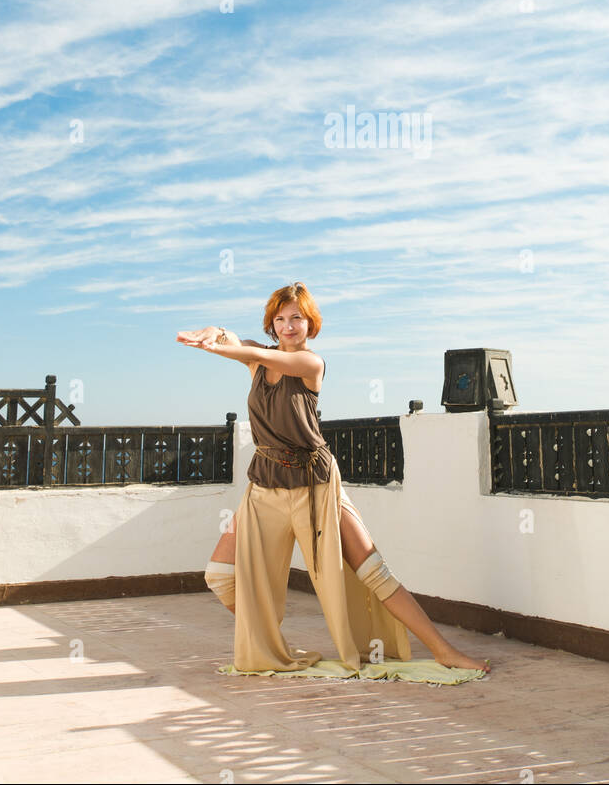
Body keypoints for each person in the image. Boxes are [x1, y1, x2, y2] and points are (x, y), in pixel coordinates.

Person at [176, 281, 491, 679]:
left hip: (316, 486)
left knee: (373, 570)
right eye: (281, 319)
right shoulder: (259, 361)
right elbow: (244, 345)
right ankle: (269, 643)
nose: (288, 326)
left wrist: (222, 346)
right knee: (220, 575)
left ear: (311, 325)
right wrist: (215, 332)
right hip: (265, 484)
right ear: (272, 324)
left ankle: (443, 650)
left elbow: (250, 350)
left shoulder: (311, 364)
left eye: (297, 319)